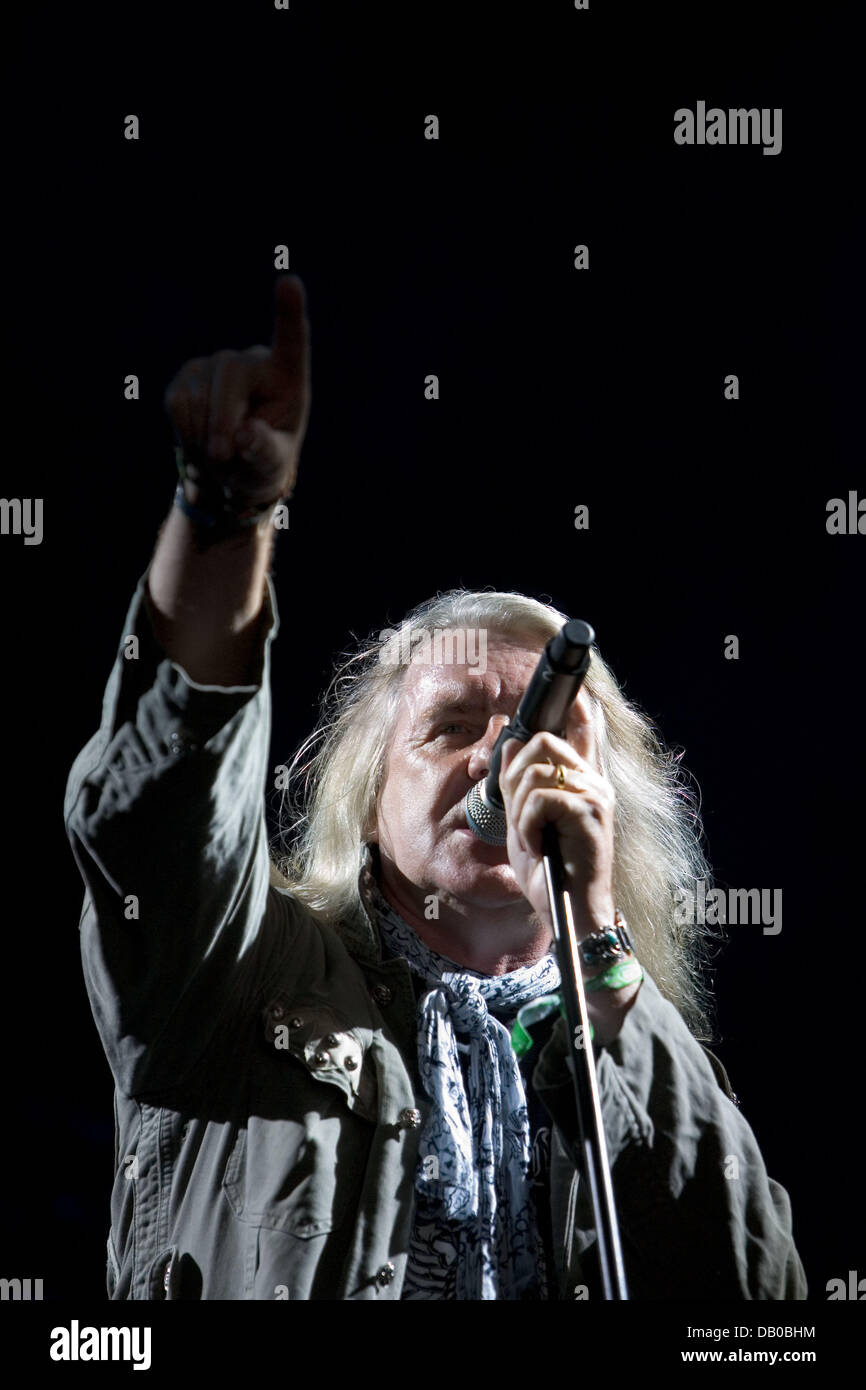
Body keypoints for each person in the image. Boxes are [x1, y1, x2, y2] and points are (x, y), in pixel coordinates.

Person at [64, 276, 807, 1301]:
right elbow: (160, 808)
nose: (506, 759)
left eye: (546, 733)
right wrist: (226, 519)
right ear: (368, 798)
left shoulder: (641, 1051)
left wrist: (597, 951)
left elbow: (756, 1314)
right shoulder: (234, 983)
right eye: (452, 726)